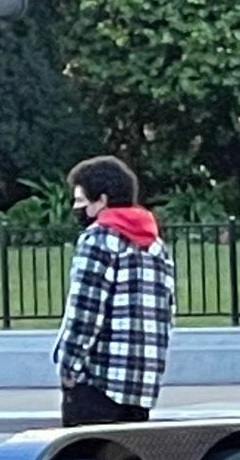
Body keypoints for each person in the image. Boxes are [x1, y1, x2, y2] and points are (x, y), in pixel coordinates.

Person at [54, 156, 175, 426]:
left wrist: (68, 369)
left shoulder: (98, 239)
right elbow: (167, 314)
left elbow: (85, 313)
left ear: (102, 201)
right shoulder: (156, 246)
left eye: (81, 201)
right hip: (140, 388)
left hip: (98, 385)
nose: (77, 209)